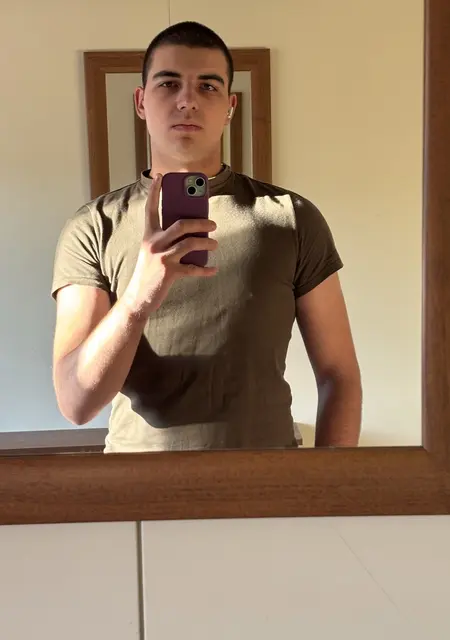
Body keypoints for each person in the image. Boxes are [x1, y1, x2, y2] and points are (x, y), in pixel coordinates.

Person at [51, 21, 362, 453]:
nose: (187, 100)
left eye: (208, 86)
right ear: (141, 101)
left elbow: (339, 375)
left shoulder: (292, 218)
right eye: (168, 83)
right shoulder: (93, 227)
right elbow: (75, 403)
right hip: (137, 483)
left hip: (269, 480)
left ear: (230, 106)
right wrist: (139, 297)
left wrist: (327, 486)